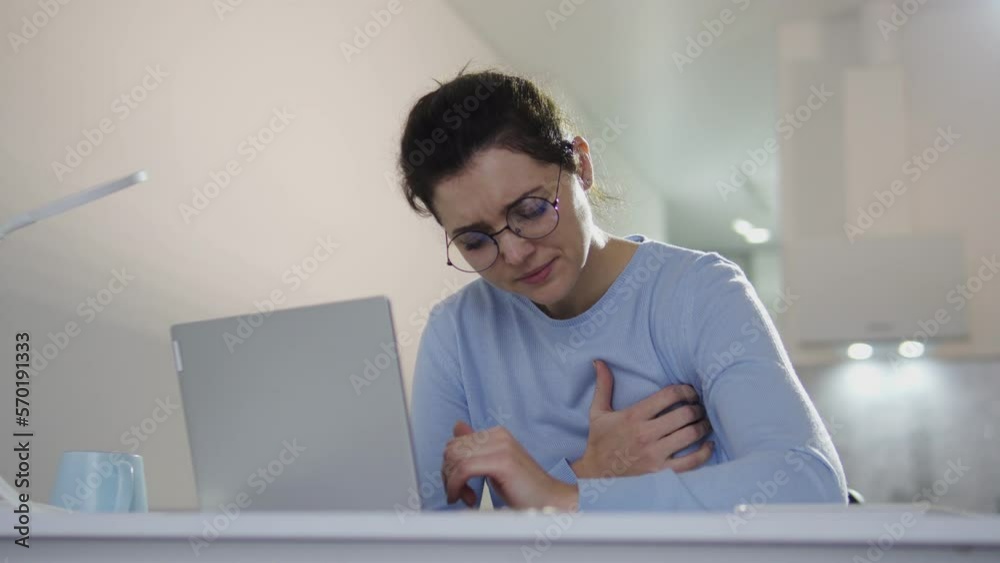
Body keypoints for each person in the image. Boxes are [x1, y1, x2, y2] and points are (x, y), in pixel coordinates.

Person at [398, 68, 847, 511]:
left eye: (531, 210)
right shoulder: (456, 332)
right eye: (476, 240)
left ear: (581, 166)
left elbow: (809, 485)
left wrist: (562, 496)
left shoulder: (699, 290)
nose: (514, 253)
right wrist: (589, 473)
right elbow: (423, 536)